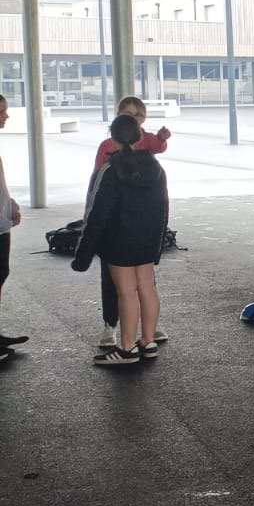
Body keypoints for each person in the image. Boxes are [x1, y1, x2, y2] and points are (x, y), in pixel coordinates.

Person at [72, 113, 170, 364]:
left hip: (119, 242)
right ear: (140, 137)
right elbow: (163, 208)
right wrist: (157, 244)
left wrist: (82, 255)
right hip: (147, 240)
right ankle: (147, 342)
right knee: (147, 288)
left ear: (113, 139)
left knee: (126, 292)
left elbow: (96, 215)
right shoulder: (156, 168)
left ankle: (127, 348)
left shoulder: (110, 170)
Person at [0, 95, 25, 362]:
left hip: (2, 223)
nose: (6, 116)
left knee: (1, 273)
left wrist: (11, 205)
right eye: (2, 111)